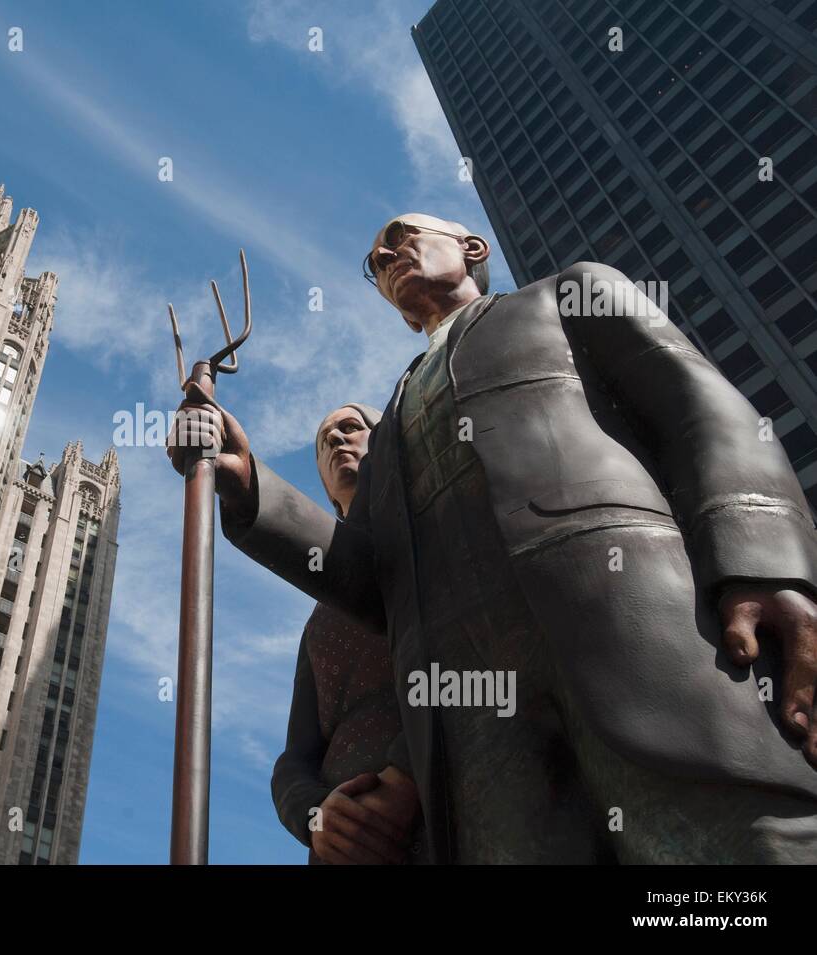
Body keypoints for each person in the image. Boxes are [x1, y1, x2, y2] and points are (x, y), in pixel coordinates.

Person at [169, 213, 817, 863]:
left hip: (640, 634)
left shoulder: (569, 296)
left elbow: (700, 407)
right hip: (479, 727)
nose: (388, 256)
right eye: (376, 262)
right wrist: (247, 483)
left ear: (472, 246)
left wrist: (769, 569)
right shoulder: (392, 429)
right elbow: (369, 577)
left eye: (400, 237)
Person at [272, 403, 420, 865]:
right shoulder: (319, 618)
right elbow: (295, 758)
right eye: (323, 442)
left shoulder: (436, 533)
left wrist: (407, 776)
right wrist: (316, 817)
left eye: (351, 427)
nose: (335, 439)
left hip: (443, 816)